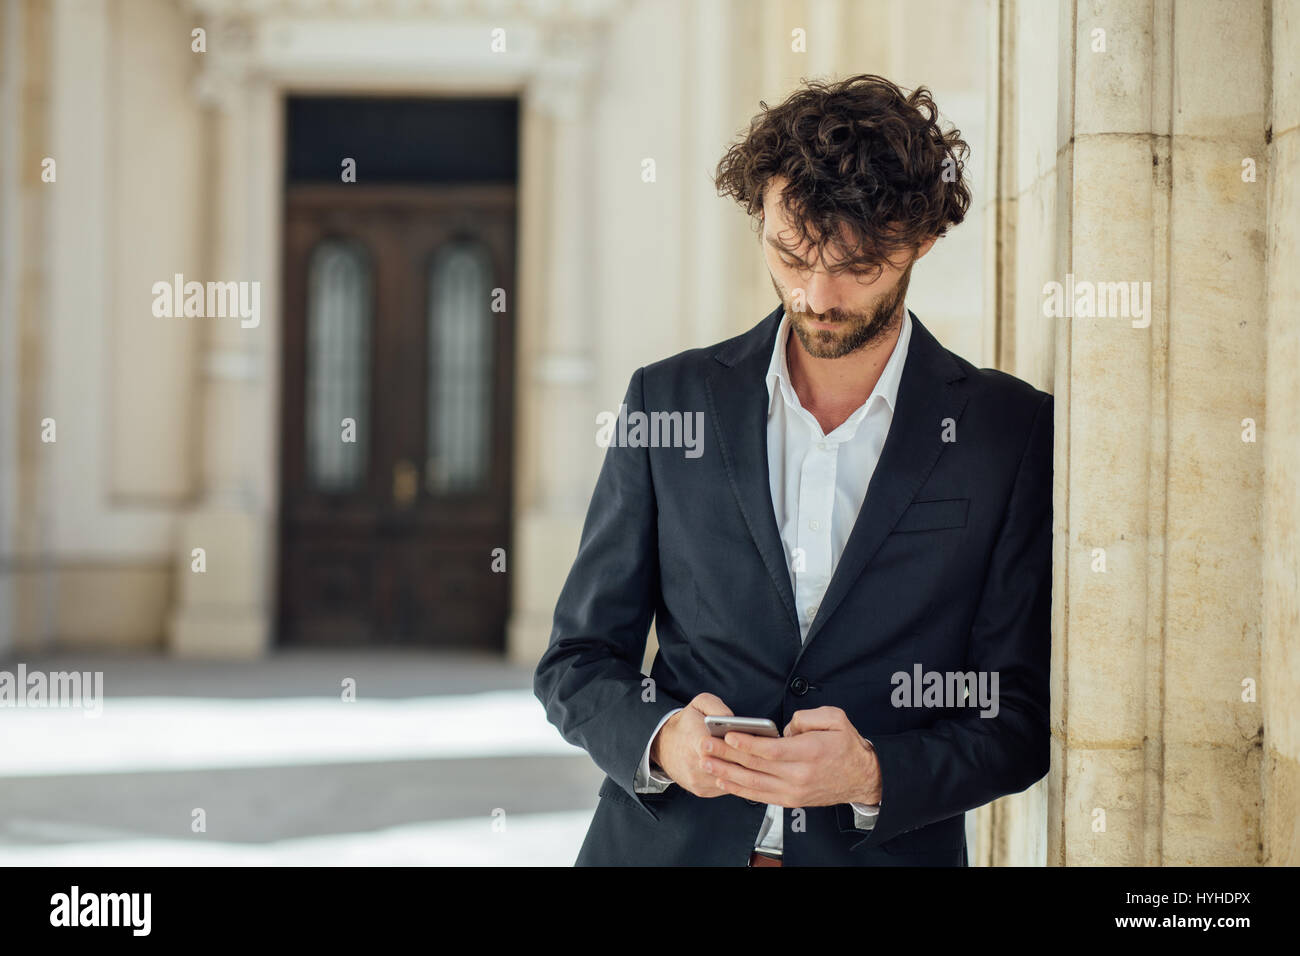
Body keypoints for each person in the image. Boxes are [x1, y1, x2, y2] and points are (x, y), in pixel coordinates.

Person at [533, 73, 1053, 866]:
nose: (817, 294)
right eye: (791, 253)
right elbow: (577, 661)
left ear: (922, 240)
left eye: (857, 264)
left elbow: (1015, 719)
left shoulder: (1008, 431)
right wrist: (662, 738)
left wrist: (873, 771)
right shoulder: (668, 400)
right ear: (761, 218)